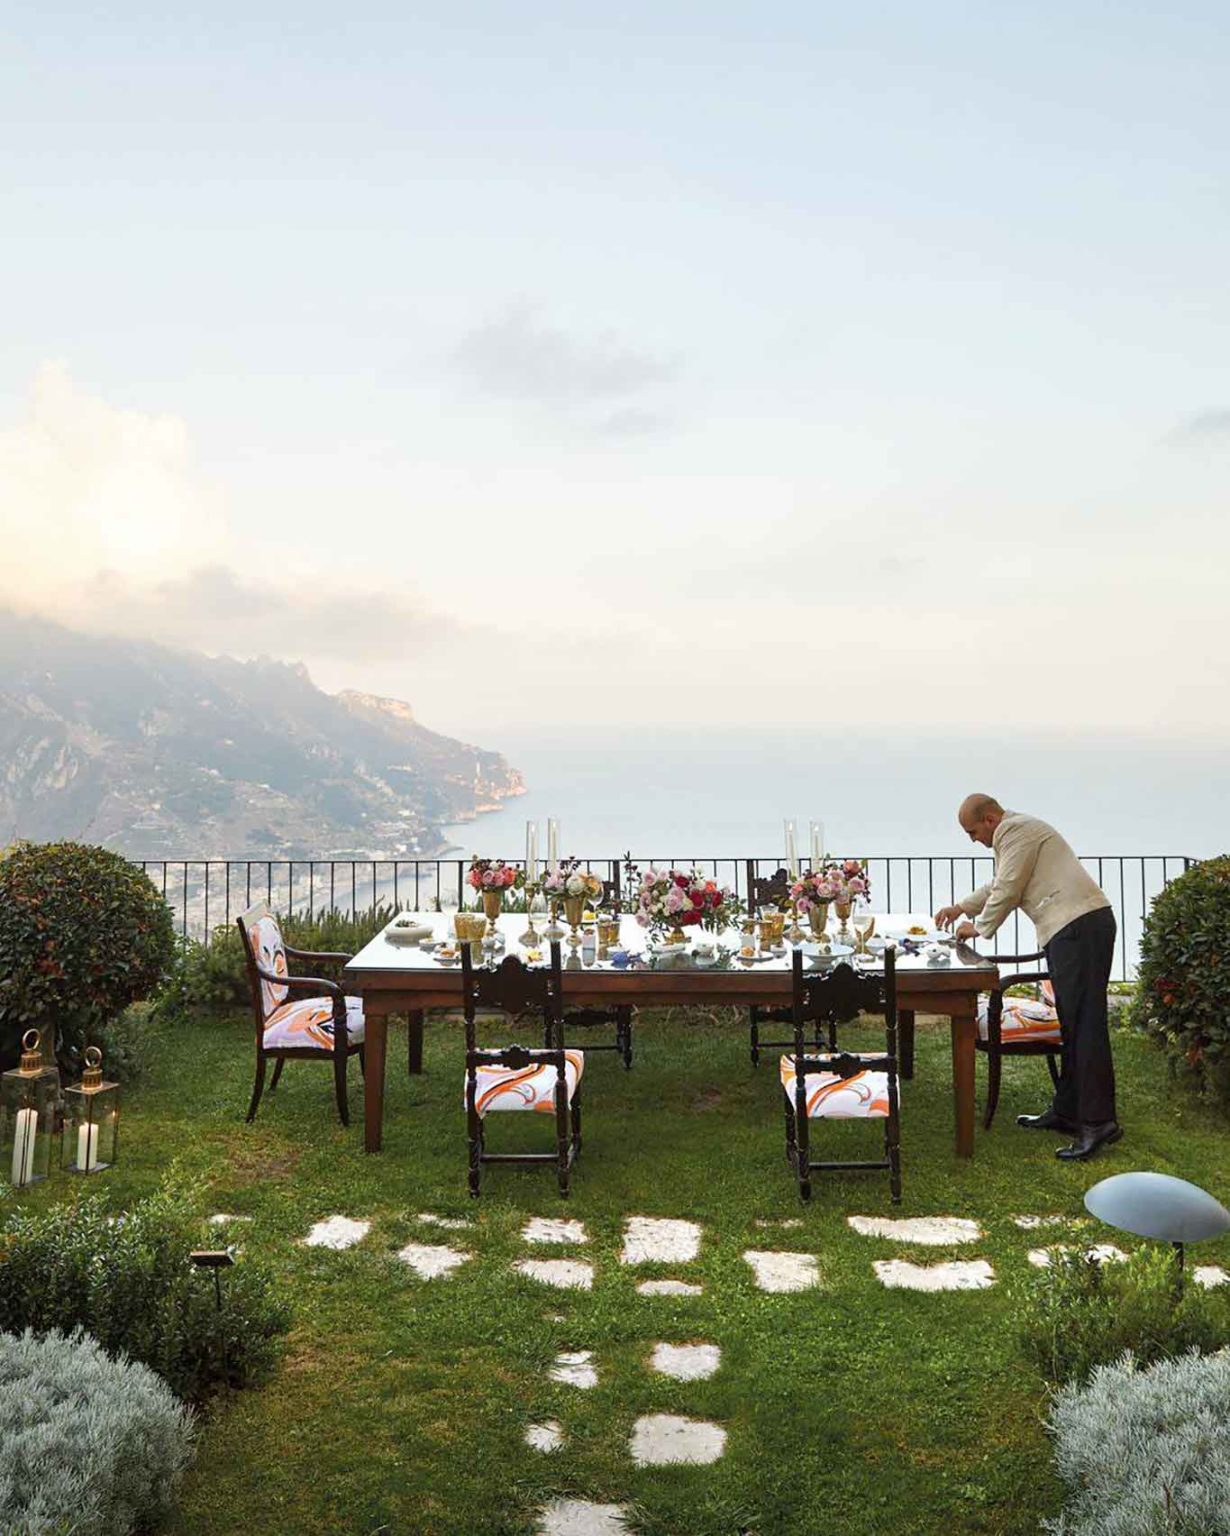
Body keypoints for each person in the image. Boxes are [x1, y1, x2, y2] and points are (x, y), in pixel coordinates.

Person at [934, 794, 1121, 1161]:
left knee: (1085, 1025)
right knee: (1073, 1024)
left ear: (989, 819)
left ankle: (1099, 1123)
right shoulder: (1015, 834)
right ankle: (1068, 1111)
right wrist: (960, 907)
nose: (972, 840)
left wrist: (979, 927)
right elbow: (998, 884)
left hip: (1079, 927)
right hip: (1070, 930)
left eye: (972, 832)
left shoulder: (1015, 831)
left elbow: (1008, 889)